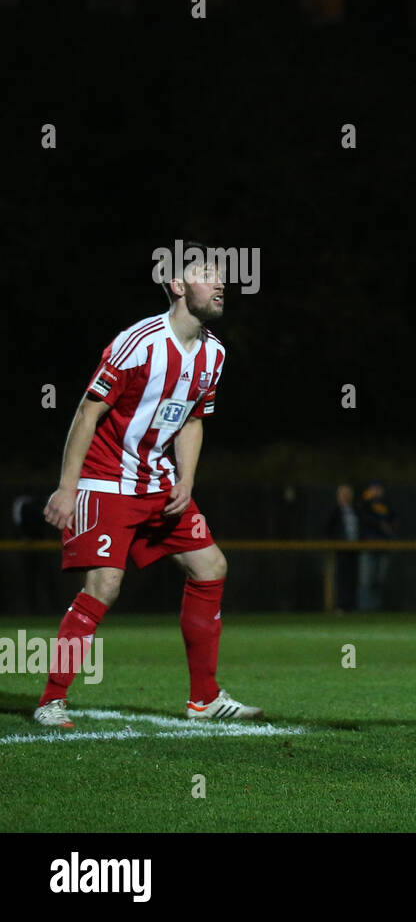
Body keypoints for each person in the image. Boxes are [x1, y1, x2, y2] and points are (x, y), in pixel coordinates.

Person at [34, 244, 261, 728]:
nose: (221, 284)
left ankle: (205, 698)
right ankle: (51, 699)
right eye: (206, 275)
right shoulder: (138, 342)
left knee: (210, 565)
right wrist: (67, 487)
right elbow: (87, 411)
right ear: (178, 286)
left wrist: (187, 478)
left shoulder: (214, 353)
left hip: (158, 482)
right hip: (107, 478)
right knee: (105, 584)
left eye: (223, 277)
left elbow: (194, 419)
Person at [357, 481, 396, 611]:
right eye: (373, 489)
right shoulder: (365, 503)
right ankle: (364, 608)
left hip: (384, 546)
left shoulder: (386, 504)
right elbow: (362, 516)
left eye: (378, 489)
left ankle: (376, 608)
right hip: (368, 545)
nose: (376, 491)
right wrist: (380, 524)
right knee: (367, 579)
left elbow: (394, 520)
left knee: (380, 579)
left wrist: (388, 528)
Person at [324, 483, 360, 613]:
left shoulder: (355, 509)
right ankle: (341, 605)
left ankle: (351, 605)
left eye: (348, 494)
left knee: (353, 577)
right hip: (340, 548)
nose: (345, 496)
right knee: (341, 578)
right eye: (343, 494)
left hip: (355, 548)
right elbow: (327, 528)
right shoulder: (334, 510)